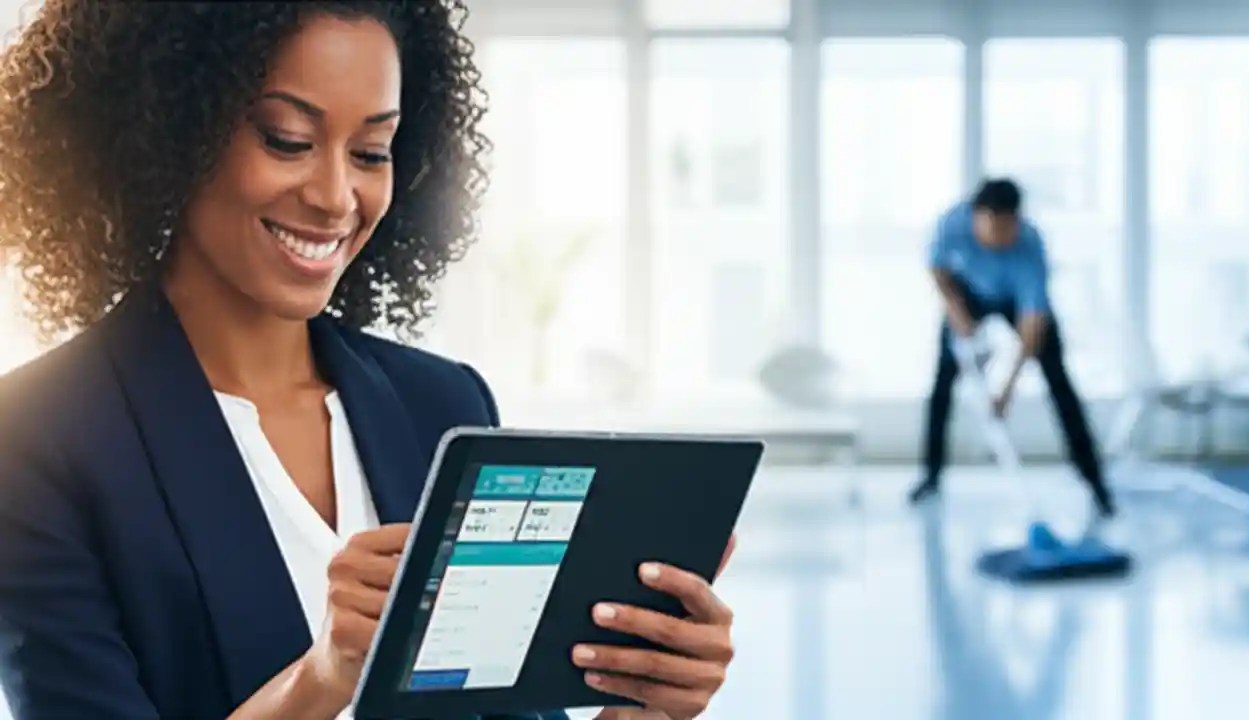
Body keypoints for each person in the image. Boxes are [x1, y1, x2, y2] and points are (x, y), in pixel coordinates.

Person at [0, 3, 737, 719]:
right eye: (287, 140)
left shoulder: (442, 406)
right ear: (167, 130)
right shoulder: (38, 438)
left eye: (370, 153)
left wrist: (643, 706)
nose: (335, 197)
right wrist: (321, 680)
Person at [908, 179, 1116, 517]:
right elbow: (938, 269)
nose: (1001, 237)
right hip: (968, 294)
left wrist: (1007, 389)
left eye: (1009, 228)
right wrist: (957, 312)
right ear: (975, 218)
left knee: (1059, 381)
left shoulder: (1030, 245)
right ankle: (930, 476)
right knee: (943, 381)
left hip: (1014, 301)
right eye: (993, 228)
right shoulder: (952, 224)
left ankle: (1096, 483)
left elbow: (1032, 322)